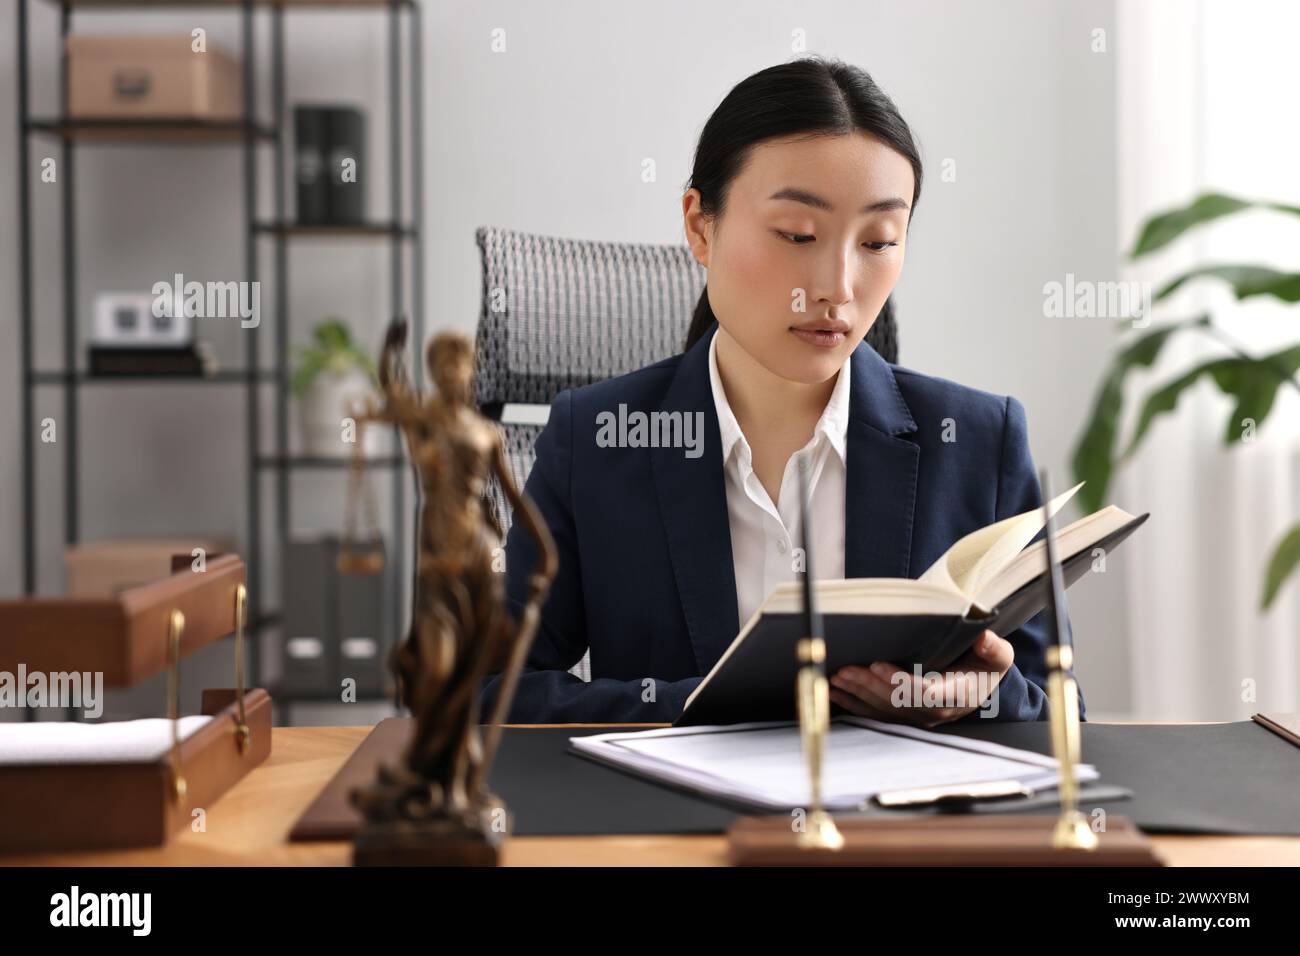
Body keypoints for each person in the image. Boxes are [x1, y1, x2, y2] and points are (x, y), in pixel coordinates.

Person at [482, 56, 1083, 726]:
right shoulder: (594, 438)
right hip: (674, 828)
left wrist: (975, 698)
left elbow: (1063, 711)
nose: (838, 285)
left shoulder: (979, 441)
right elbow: (489, 692)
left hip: (894, 826)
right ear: (700, 226)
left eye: (879, 241)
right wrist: (725, 706)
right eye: (798, 235)